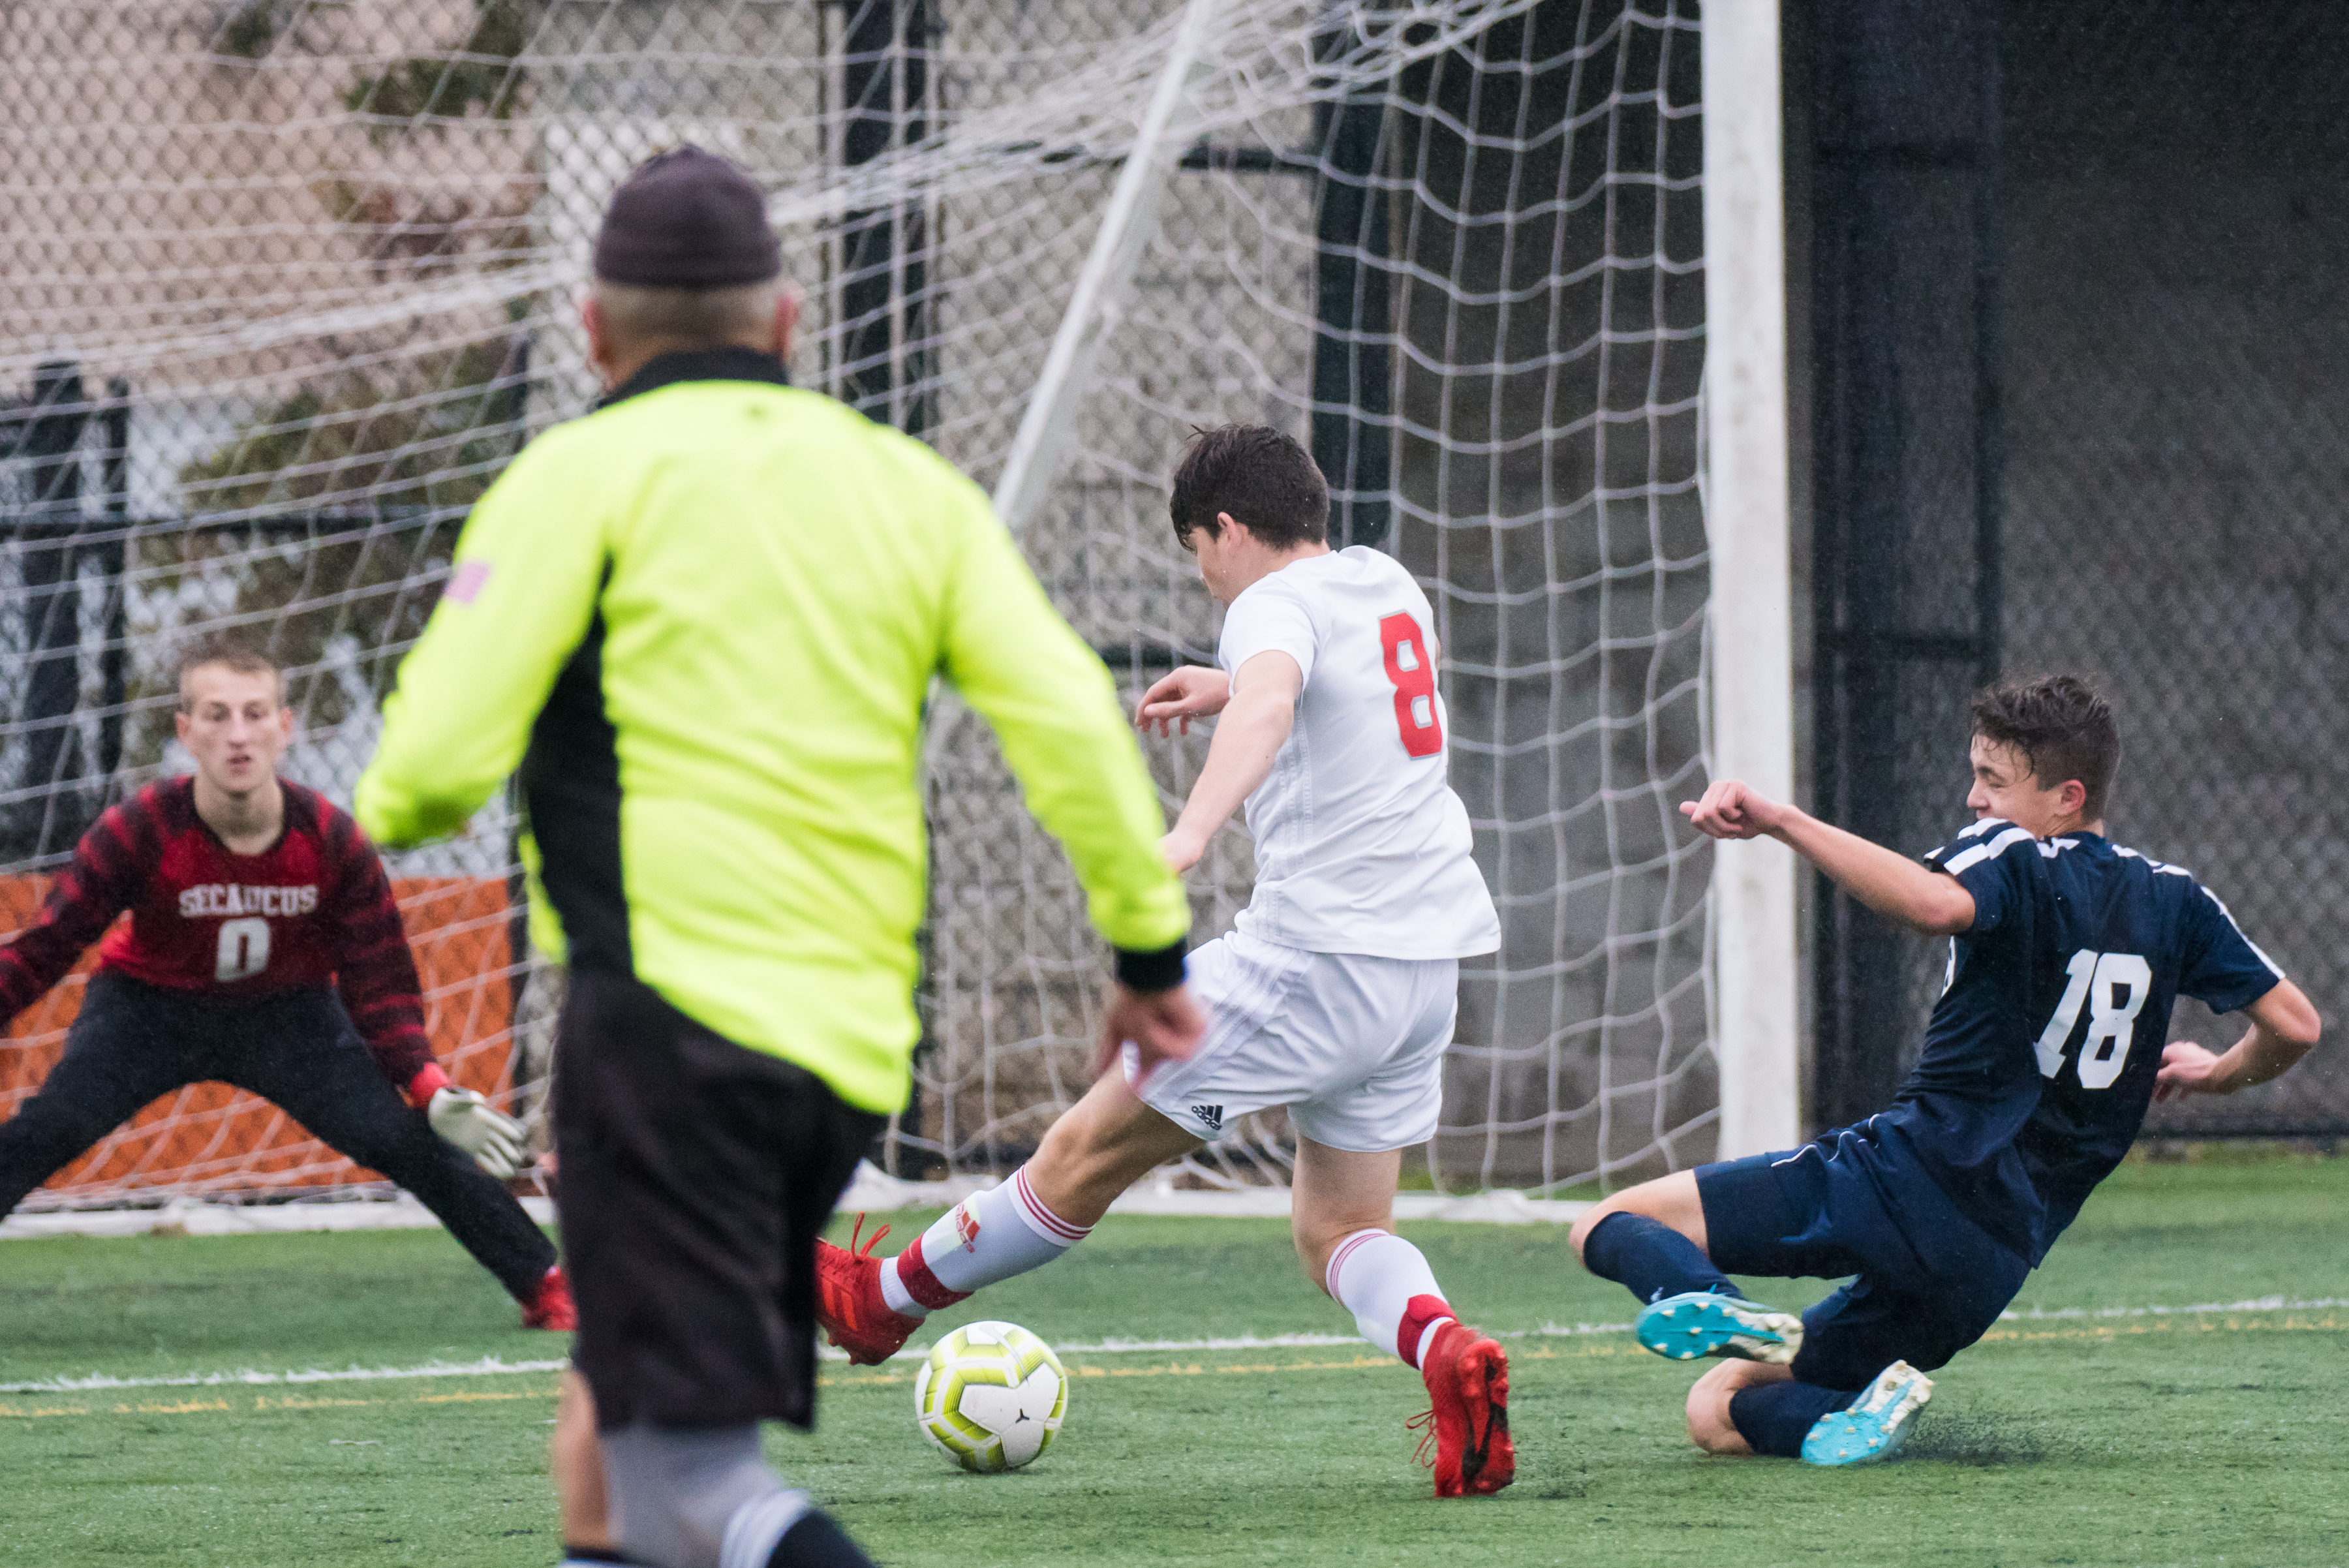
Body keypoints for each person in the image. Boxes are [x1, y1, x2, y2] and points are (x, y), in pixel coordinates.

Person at [352, 146, 1201, 1568]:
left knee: (681, 1477)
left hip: (670, 1034)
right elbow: (1065, 717)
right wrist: (1147, 956)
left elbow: (433, 771)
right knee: (605, 1447)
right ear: (787, 324)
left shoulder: (571, 482)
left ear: (592, 330)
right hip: (854, 1052)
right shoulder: (908, 489)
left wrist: (365, 817)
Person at [814, 424, 1516, 1499]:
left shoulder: (1267, 610)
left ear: (1230, 527)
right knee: (1339, 1224)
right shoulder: (1383, 583)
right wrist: (1227, 678)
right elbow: (1309, 684)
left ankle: (882, 1301)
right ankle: (1448, 1352)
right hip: (1425, 969)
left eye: (1199, 549)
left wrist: (1189, 832)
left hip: (1312, 959)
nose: (1205, 576)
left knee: (1080, 1150)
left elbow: (1279, 695)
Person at [1570, 675, 2320, 1466]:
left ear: (2066, 797)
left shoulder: (2016, 853)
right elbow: (2295, 1026)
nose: (1974, 800)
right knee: (1716, 1408)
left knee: (1608, 1223)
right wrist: (2212, 1076)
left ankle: (1712, 1302)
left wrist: (1782, 820)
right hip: (1993, 1260)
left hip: (1905, 1180)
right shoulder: (2175, 900)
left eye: (1993, 781)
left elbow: (1933, 906)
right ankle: (1841, 1421)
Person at [0, 642, 570, 1329]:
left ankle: (547, 1286)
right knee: (51, 1127)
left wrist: (427, 1086)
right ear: (186, 733)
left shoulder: (331, 841)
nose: (237, 734)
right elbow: (46, 947)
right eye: (216, 716)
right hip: (147, 1010)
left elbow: (380, 985)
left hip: (287, 1016)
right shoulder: (140, 830)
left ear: (284, 726)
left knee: (402, 1138)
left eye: (253, 714)